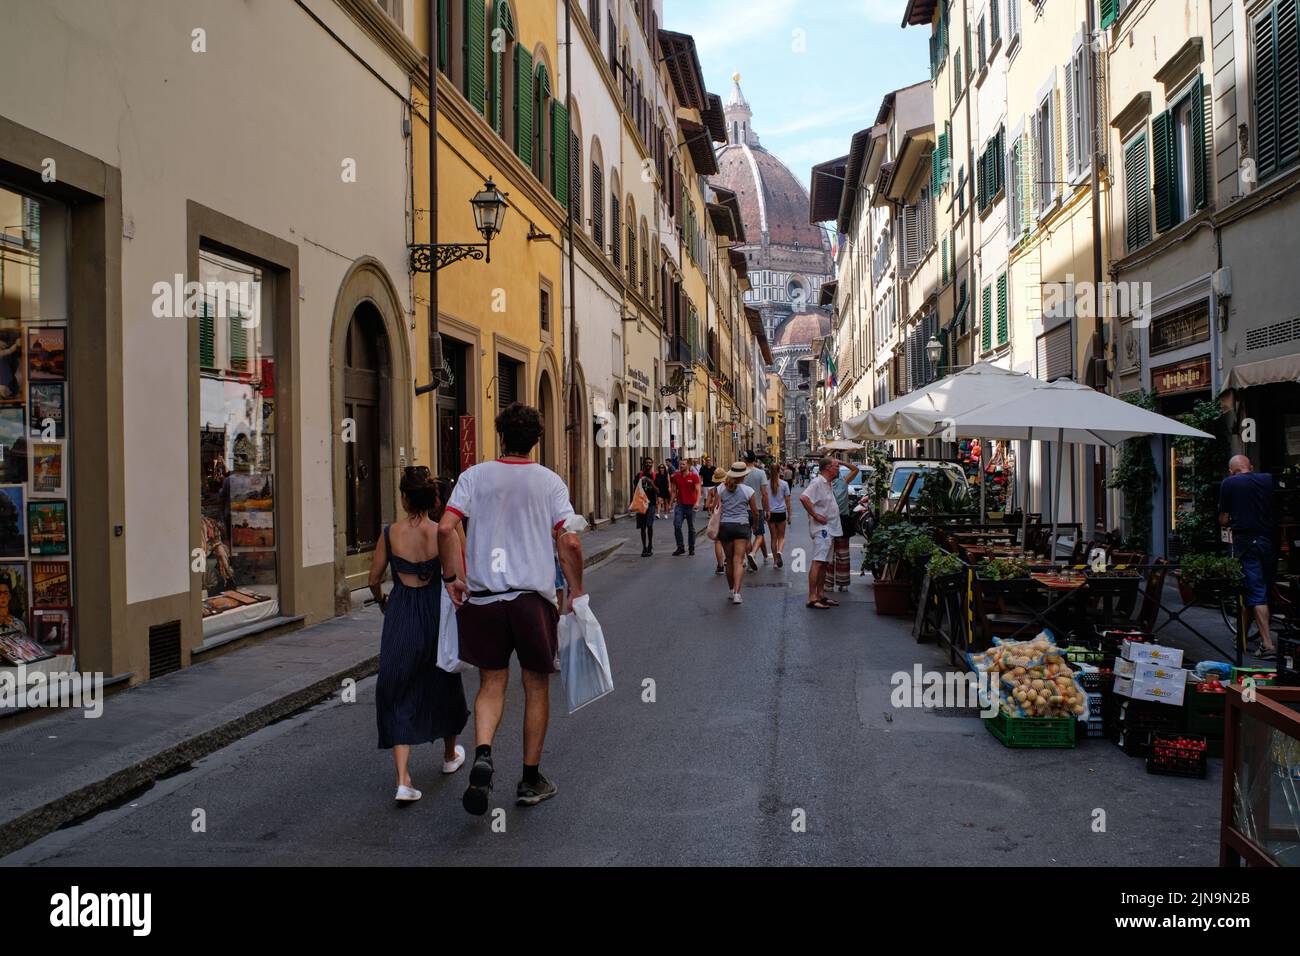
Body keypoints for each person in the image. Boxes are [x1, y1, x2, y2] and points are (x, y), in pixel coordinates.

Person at [438, 403, 585, 813]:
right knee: (535, 686)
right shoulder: (549, 482)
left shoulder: (474, 476)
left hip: (484, 598)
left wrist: (452, 578)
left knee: (491, 685)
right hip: (531, 600)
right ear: (536, 440)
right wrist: (575, 590)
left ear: (501, 436)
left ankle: (483, 752)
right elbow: (570, 541)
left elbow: (446, 526)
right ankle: (529, 778)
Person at [368, 466, 469, 803]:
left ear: (403, 498)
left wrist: (384, 601)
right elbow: (458, 579)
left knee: (398, 687)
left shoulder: (389, 533)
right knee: (444, 681)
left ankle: (402, 779)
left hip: (401, 613)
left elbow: (372, 579)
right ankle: (449, 755)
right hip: (435, 614)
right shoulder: (445, 532)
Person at [1218, 454, 1277, 656]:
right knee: (1259, 588)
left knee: (1255, 590)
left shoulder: (1229, 483)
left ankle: (1267, 644)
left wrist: (1229, 519)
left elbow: (1223, 518)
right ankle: (1241, 638)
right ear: (1250, 466)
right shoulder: (1267, 479)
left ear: (1231, 470)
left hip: (1246, 543)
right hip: (1269, 541)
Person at [800, 457, 843, 610]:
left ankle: (821, 594)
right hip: (822, 530)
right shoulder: (817, 482)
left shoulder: (828, 483)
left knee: (824, 562)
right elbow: (804, 498)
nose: (838, 469)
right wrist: (815, 515)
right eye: (836, 466)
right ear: (828, 468)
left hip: (830, 528)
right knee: (818, 561)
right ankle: (812, 597)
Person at [715, 461, 761, 604]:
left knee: (728, 561)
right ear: (744, 475)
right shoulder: (748, 491)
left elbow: (717, 508)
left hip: (725, 526)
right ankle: (737, 593)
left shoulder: (721, 488)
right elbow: (754, 512)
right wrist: (755, 525)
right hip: (741, 526)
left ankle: (730, 590)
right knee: (739, 561)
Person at [830, 460, 860, 592]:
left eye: (837, 468)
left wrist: (842, 462)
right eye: (834, 468)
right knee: (831, 553)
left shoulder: (843, 480)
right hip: (832, 520)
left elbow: (855, 469)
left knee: (841, 553)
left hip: (841, 519)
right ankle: (830, 583)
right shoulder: (826, 483)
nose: (836, 470)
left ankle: (840, 582)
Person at [742, 451, 771, 571]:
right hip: (757, 508)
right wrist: (767, 509)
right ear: (754, 460)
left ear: (744, 460)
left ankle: (750, 564)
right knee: (759, 534)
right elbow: (764, 493)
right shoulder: (760, 473)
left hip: (743, 509)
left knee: (747, 537)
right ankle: (752, 554)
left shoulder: (740, 473)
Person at [670, 456, 702, 556]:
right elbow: (674, 491)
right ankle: (680, 547)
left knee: (691, 528)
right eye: (680, 464)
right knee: (677, 525)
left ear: (688, 465)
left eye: (683, 464)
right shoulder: (676, 476)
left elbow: (698, 491)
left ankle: (691, 547)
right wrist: (670, 503)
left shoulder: (694, 476)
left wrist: (697, 502)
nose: (681, 466)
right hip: (680, 505)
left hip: (691, 506)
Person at [766, 463, 791, 567]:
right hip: (781, 513)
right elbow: (788, 502)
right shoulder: (784, 484)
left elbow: (764, 500)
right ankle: (780, 551)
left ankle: (775, 561)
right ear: (779, 471)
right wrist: (789, 515)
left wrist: (765, 511)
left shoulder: (765, 484)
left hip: (770, 513)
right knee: (781, 537)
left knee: (773, 538)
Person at [633, 457, 659, 556]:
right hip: (641, 504)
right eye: (646, 463)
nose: (648, 464)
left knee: (649, 525)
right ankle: (644, 547)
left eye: (650, 463)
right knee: (642, 527)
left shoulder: (655, 476)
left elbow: (658, 491)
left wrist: (651, 482)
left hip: (651, 504)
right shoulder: (638, 475)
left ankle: (650, 546)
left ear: (652, 464)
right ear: (643, 464)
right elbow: (635, 489)